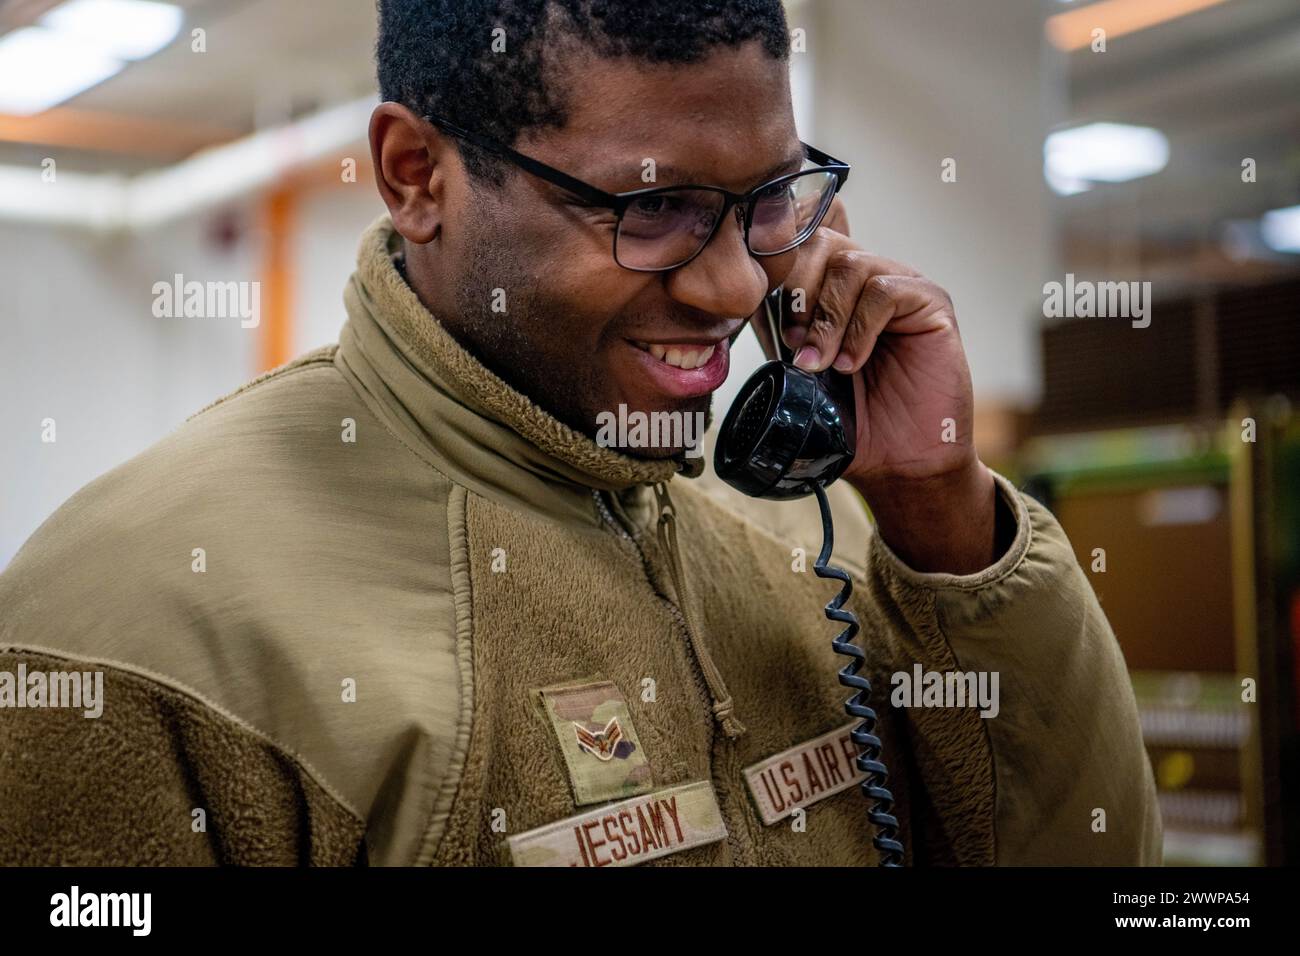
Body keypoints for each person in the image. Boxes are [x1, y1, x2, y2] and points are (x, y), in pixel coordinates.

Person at [0, 0, 1160, 866]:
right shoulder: (137, 625)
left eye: (766, 200)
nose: (724, 287)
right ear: (416, 175)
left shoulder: (807, 515)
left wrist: (941, 514)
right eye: (652, 207)